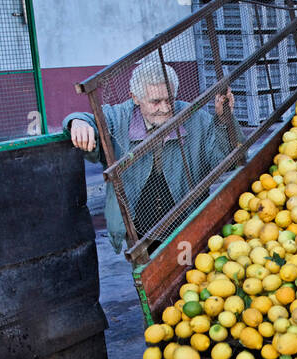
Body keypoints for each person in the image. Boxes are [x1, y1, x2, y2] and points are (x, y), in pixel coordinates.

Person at [64, 56, 236, 253]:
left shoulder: (196, 118)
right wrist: (76, 121)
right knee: (146, 278)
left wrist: (224, 122)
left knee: (186, 276)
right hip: (138, 232)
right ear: (135, 98)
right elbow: (90, 119)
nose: (164, 108)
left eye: (169, 99)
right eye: (155, 101)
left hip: (185, 226)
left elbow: (226, 160)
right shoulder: (119, 117)